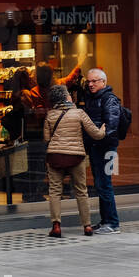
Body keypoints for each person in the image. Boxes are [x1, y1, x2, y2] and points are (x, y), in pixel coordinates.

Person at [44, 84, 105, 238]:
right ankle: (87, 226)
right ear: (66, 97)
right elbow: (96, 134)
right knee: (81, 191)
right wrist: (104, 129)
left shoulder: (50, 115)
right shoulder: (79, 113)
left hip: (55, 156)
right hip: (76, 156)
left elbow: (46, 138)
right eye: (68, 94)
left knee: (55, 192)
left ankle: (56, 225)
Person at [84, 68, 124, 234]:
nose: (91, 84)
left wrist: (98, 138)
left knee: (105, 184)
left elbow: (111, 125)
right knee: (100, 185)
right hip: (96, 148)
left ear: (103, 82)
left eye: (94, 81)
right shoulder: (93, 98)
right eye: (88, 81)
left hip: (106, 148)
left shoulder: (109, 99)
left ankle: (113, 223)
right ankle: (105, 220)